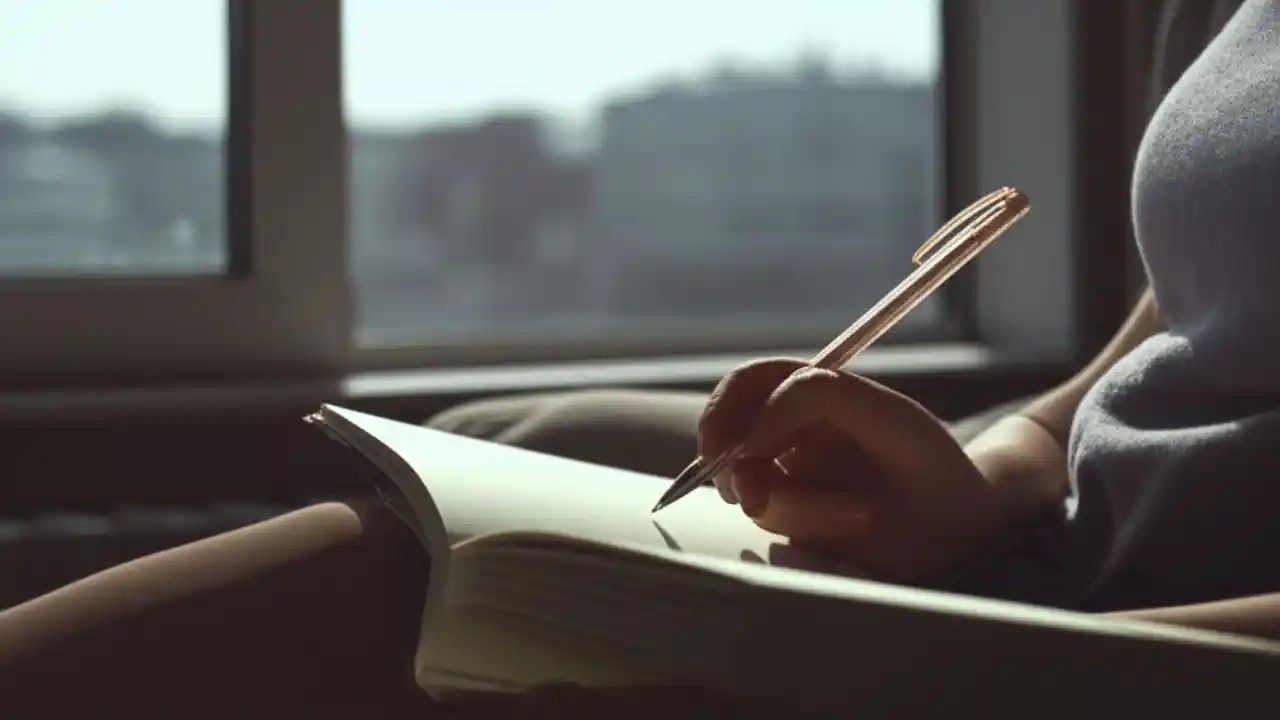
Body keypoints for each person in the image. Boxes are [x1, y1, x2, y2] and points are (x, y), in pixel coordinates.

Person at [3, 0, 1278, 715]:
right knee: (511, 459)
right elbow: (1165, 331)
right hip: (1059, 583)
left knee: (476, 609)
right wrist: (981, 472)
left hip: (1159, 658)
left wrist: (949, 671)